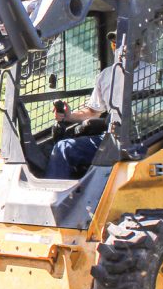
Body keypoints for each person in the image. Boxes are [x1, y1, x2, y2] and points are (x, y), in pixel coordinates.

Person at [45, 32, 156, 179]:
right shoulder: (106, 75)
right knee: (63, 148)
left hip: (144, 138)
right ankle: (56, 198)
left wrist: (129, 121)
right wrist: (69, 116)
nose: (125, 49)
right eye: (118, 45)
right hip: (112, 137)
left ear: (139, 47)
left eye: (131, 44)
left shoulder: (152, 72)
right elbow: (93, 111)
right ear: (113, 47)